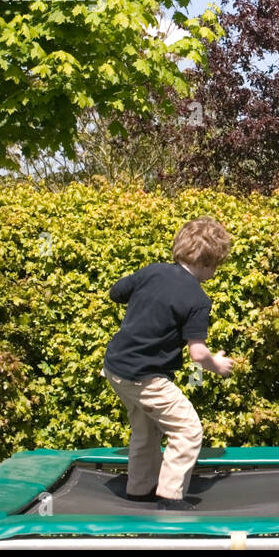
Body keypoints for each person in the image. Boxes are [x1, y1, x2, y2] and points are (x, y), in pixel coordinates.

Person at [101, 217, 236, 510]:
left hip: (116, 368)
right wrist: (219, 364)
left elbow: (116, 292)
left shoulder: (153, 272)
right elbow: (198, 354)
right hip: (145, 376)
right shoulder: (198, 298)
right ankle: (170, 497)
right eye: (217, 265)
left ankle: (139, 490)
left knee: (146, 429)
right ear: (209, 263)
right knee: (188, 429)